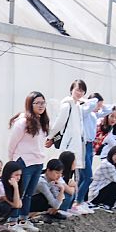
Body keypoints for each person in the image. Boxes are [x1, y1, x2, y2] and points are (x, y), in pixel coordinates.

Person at [7, 92, 52, 232]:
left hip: (38, 162)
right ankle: (12, 222)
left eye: (43, 102)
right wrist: (13, 162)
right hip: (24, 162)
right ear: (30, 104)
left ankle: (23, 219)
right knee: (19, 192)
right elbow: (12, 143)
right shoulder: (23, 122)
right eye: (37, 103)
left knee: (29, 194)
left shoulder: (43, 122)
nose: (41, 105)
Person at [48, 80, 87, 210]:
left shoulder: (78, 106)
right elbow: (59, 123)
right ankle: (62, 205)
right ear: (71, 90)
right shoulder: (67, 105)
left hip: (75, 144)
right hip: (69, 145)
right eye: (77, 89)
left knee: (72, 173)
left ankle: (69, 205)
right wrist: (50, 137)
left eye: (82, 90)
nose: (79, 93)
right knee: (65, 173)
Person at [76, 93, 101, 204]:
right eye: (98, 104)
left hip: (90, 145)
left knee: (83, 177)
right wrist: (88, 101)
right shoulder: (84, 111)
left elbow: (107, 110)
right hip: (83, 145)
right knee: (88, 176)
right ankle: (77, 200)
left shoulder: (93, 114)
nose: (99, 107)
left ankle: (79, 200)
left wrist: (100, 105)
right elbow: (91, 104)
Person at [0, 160, 27, 232]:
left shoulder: (16, 185)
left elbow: (19, 204)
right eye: (16, 175)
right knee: (6, 206)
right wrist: (16, 187)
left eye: (20, 175)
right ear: (9, 174)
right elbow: (16, 205)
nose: (19, 178)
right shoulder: (0, 185)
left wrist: (16, 187)